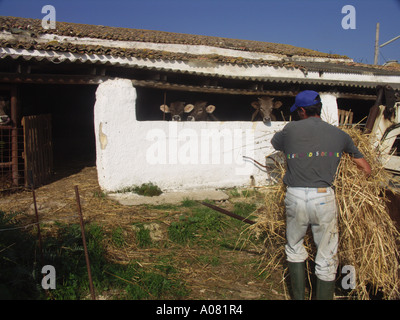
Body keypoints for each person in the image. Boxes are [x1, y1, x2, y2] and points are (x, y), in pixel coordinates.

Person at [271, 90, 371, 300]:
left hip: (295, 195)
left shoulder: (290, 129)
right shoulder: (340, 135)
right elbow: (366, 169)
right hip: (324, 197)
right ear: (320, 109)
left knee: (294, 247)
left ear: (301, 110)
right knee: (326, 254)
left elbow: (275, 143)